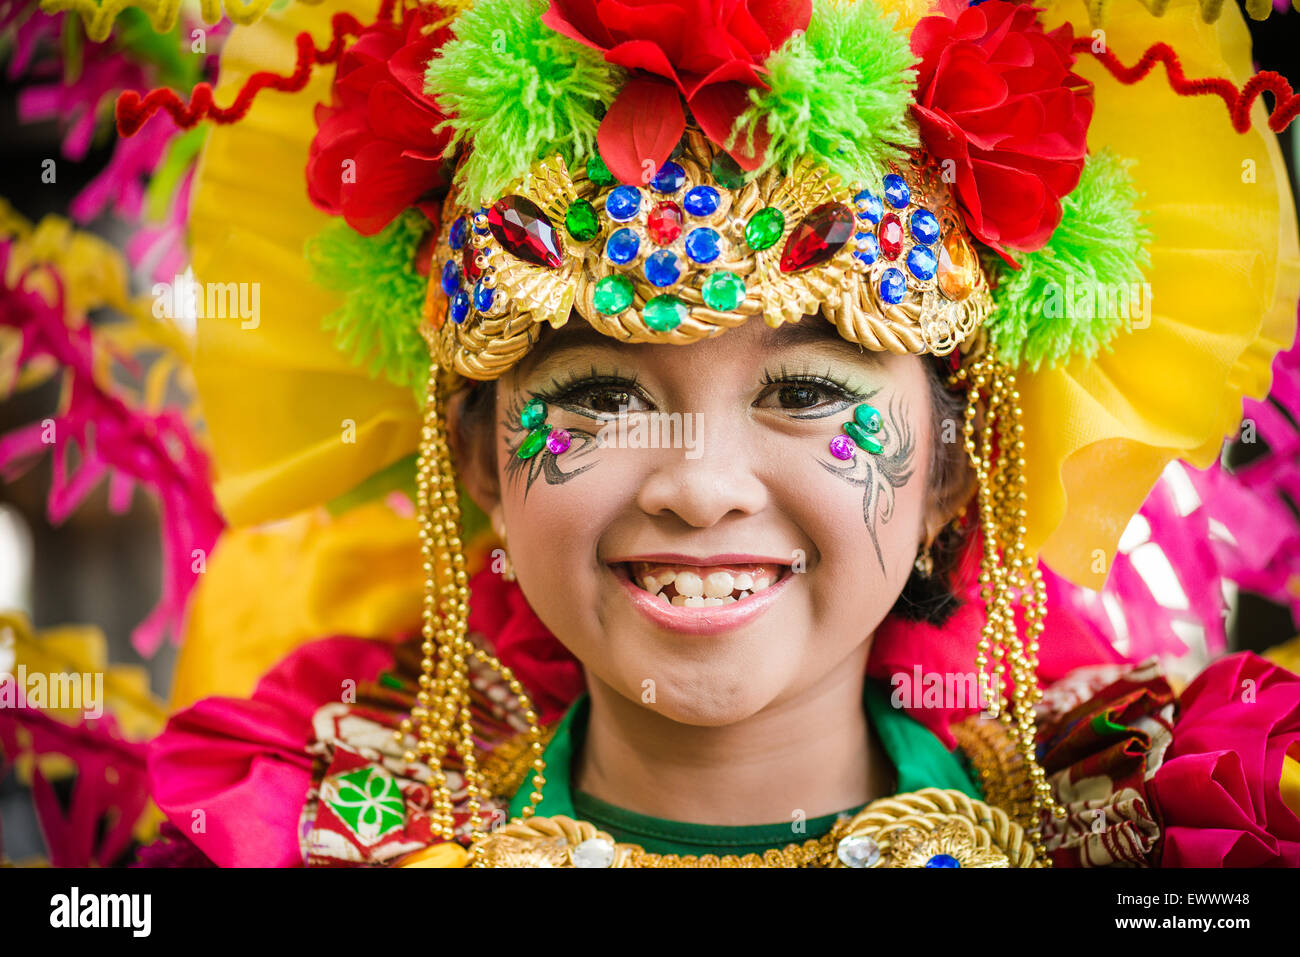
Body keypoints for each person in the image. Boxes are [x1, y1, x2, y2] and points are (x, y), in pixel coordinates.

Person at [120, 0, 1300, 868]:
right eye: (598, 393)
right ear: (477, 456)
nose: (700, 484)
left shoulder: (1159, 840)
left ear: (952, 460)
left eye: (804, 391)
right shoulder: (313, 833)